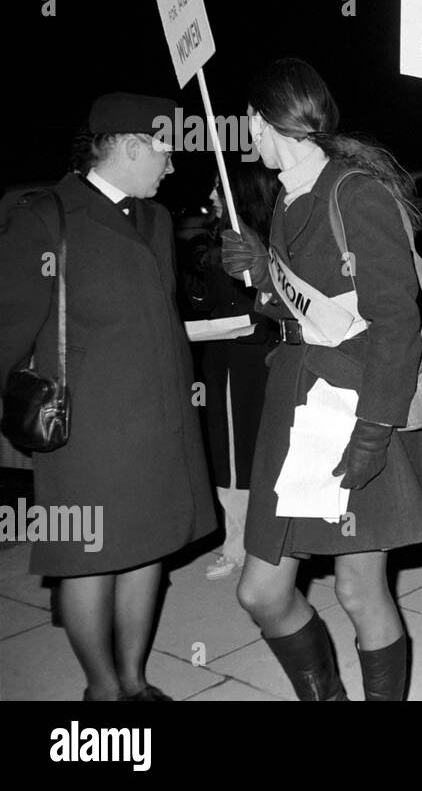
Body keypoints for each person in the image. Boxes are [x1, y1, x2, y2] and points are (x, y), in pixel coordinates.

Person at [220, 58, 422, 701]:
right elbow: (307, 314)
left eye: (249, 118)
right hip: (295, 404)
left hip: (353, 405)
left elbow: (392, 324)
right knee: (262, 591)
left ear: (273, 119)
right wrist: (265, 281)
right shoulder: (289, 197)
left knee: (358, 588)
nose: (244, 129)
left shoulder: (356, 194)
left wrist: (375, 427)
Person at [0, 92, 217, 700]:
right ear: (129, 146)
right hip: (86, 435)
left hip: (160, 423)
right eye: (165, 151)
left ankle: (132, 679)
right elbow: (8, 329)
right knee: (88, 558)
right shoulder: (47, 218)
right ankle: (101, 689)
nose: (172, 165)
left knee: (148, 548)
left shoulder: (156, 219)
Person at [182, 161, 279, 580]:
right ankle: (236, 541)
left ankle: (261, 541)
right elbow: (202, 303)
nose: (210, 198)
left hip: (262, 361)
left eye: (219, 190)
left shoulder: (272, 239)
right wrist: (198, 267)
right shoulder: (214, 243)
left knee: (256, 452)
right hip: (224, 360)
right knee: (229, 453)